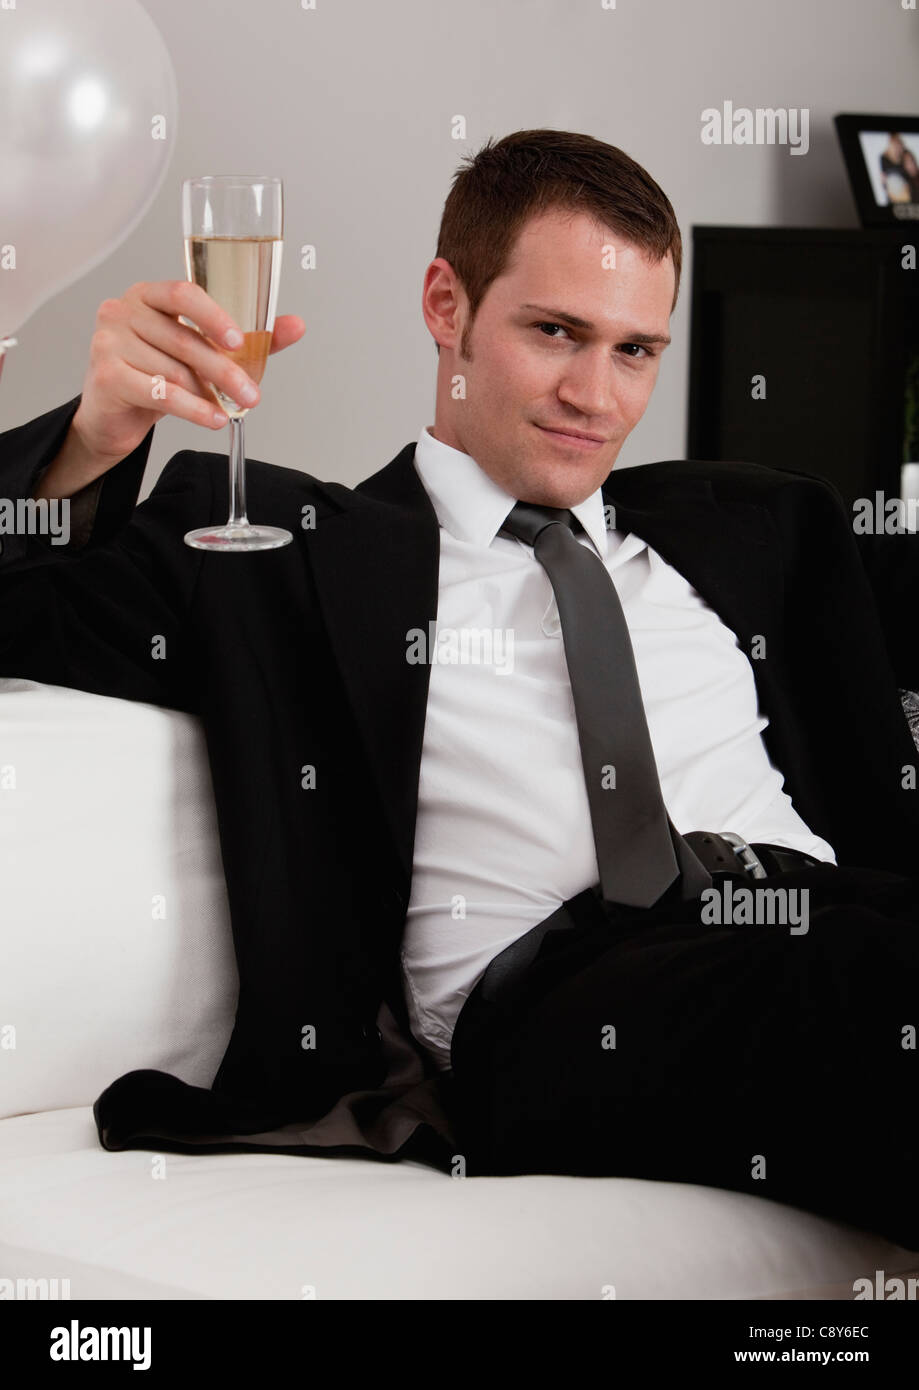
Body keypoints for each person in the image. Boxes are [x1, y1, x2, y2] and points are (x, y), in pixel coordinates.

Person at [2, 129, 918, 1249]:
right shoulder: (288, 551)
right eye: (554, 333)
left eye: (636, 351)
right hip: (563, 998)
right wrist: (96, 435)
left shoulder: (758, 529)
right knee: (858, 980)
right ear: (447, 305)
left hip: (817, 909)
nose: (595, 394)